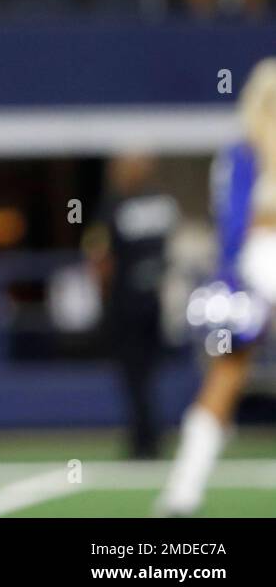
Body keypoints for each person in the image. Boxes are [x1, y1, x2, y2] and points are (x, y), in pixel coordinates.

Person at [158, 59, 276, 515]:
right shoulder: (244, 153)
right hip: (259, 257)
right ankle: (182, 489)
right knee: (226, 374)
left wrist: (229, 274)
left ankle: (183, 490)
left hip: (254, 260)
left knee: (225, 376)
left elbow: (229, 223)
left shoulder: (239, 153)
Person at [85, 153, 178, 459]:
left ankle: (144, 441)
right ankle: (150, 437)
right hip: (156, 298)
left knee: (135, 374)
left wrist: (103, 297)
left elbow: (100, 258)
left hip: (128, 301)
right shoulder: (163, 203)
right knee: (146, 374)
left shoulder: (116, 204)